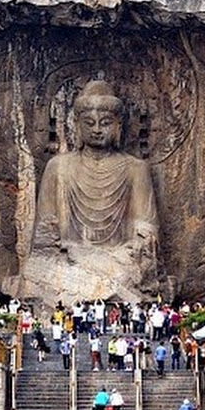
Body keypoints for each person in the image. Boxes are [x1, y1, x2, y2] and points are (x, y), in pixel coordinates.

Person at [25, 81, 160, 301]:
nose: (97, 130)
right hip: (68, 260)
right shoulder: (58, 167)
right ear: (77, 125)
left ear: (118, 126)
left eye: (105, 123)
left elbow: (146, 229)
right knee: (45, 269)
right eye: (89, 123)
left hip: (117, 261)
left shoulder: (136, 168)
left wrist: (137, 246)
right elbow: (44, 233)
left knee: (127, 272)